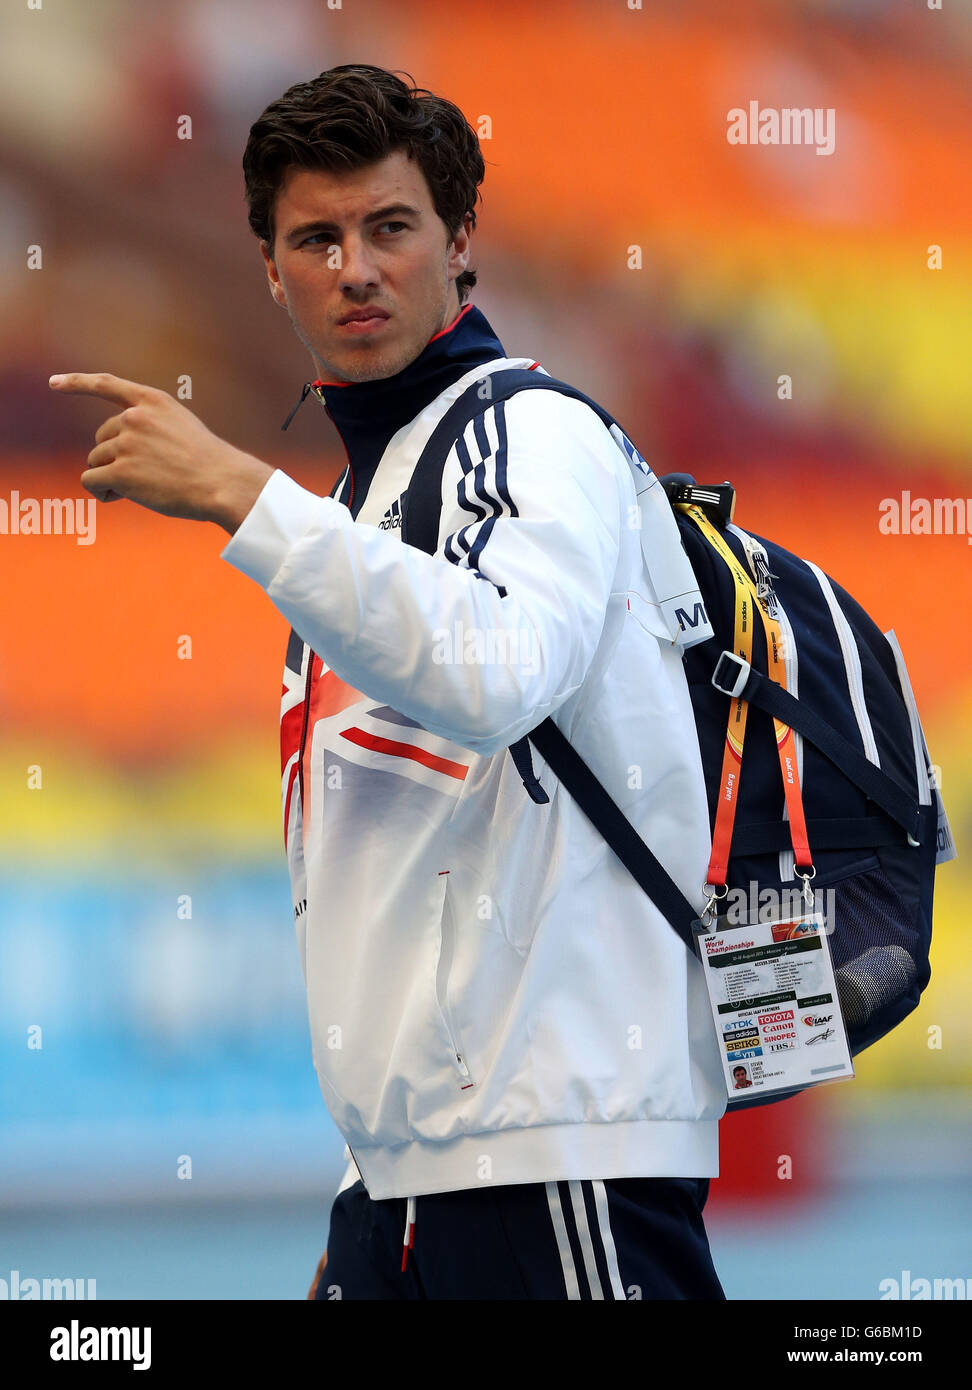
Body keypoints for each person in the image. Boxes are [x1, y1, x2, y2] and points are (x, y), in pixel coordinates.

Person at [50, 63, 728, 1301]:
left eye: (390, 228)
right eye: (316, 237)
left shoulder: (531, 432)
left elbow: (500, 672)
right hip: (422, 1186)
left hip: (558, 1166)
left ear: (461, 244)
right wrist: (379, 1197)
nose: (354, 267)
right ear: (270, 269)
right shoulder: (365, 500)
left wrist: (239, 493)